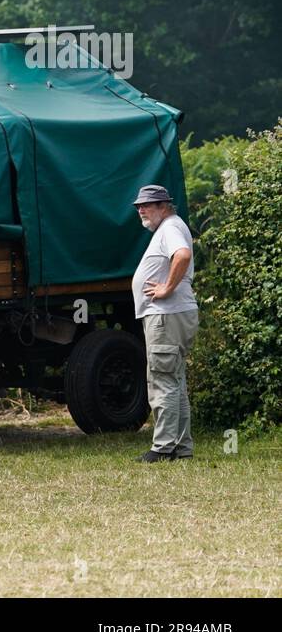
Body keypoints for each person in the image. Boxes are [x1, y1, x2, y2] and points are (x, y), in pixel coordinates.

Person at [130, 184, 198, 462]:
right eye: (139, 206)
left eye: (148, 205)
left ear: (164, 206)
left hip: (166, 315)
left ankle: (163, 447)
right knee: (175, 380)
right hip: (173, 315)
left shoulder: (170, 227)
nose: (141, 210)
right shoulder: (171, 226)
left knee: (162, 380)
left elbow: (182, 255)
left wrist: (166, 288)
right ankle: (181, 448)